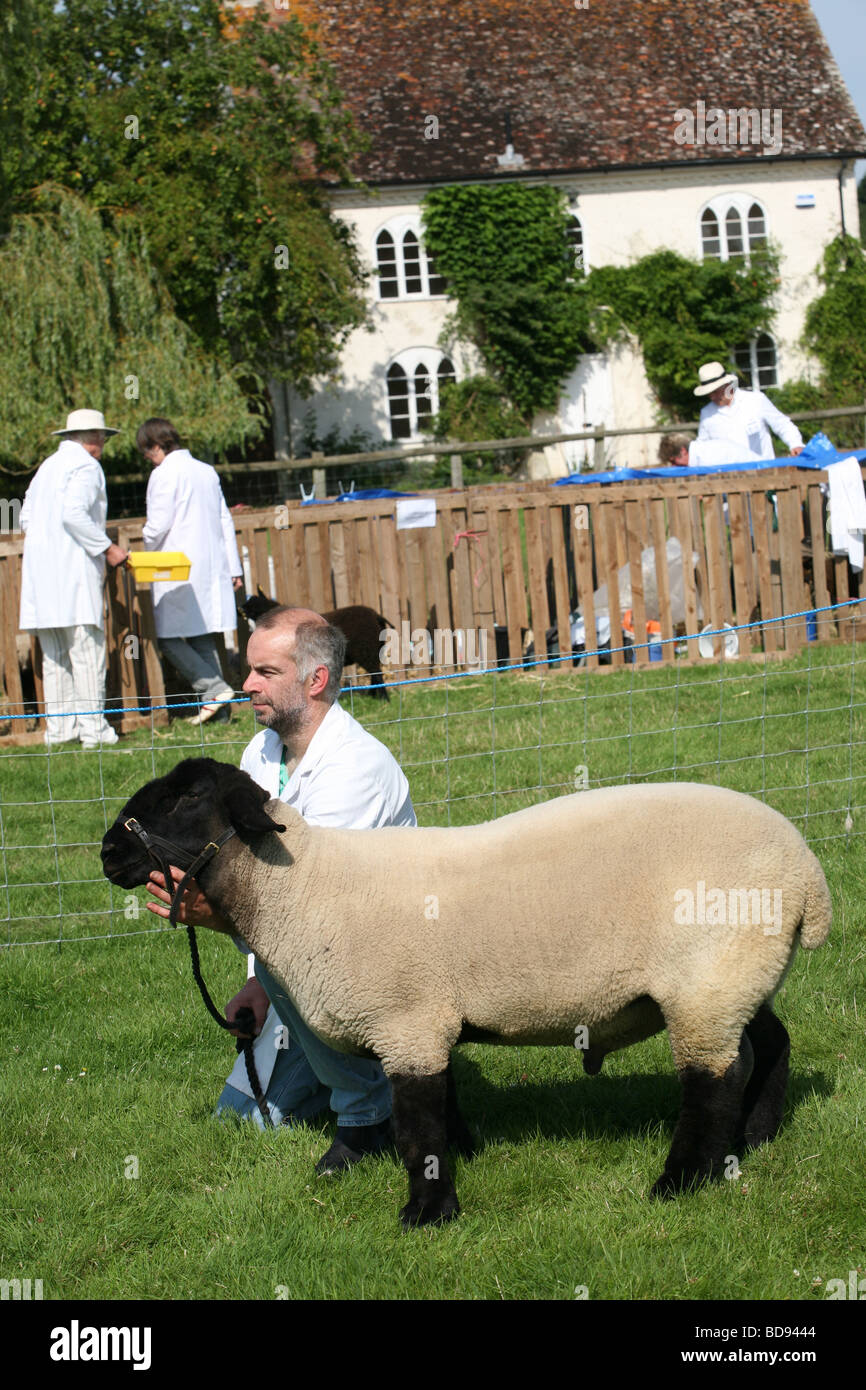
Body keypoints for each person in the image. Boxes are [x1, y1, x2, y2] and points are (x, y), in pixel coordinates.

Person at [144, 606, 417, 1175]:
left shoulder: (355, 769)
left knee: (262, 1120)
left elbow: (310, 912)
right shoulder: (261, 754)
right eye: (250, 670)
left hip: (373, 970)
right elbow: (265, 886)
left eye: (265, 673)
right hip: (303, 967)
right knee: (239, 1120)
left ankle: (376, 1106)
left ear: (316, 680)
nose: (247, 684)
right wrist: (257, 985)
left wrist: (213, 915)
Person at [19, 408, 128, 748]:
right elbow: (73, 514)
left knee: (54, 657)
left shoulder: (47, 467)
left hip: (42, 577)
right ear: (92, 438)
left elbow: (25, 518)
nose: (104, 443)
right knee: (86, 654)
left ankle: (60, 731)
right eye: (103, 437)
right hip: (74, 576)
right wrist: (107, 548)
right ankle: (94, 732)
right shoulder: (87, 466)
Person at [137, 418, 243, 724]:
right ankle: (221, 715)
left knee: (167, 638)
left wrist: (144, 543)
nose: (147, 457)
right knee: (200, 636)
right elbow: (225, 520)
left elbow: (158, 526)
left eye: (146, 450)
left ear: (156, 445)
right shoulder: (206, 471)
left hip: (177, 568)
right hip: (210, 567)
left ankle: (214, 689)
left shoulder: (163, 474)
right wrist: (233, 566)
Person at [689, 361, 804, 467]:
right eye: (709, 393)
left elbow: (782, 424)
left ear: (726, 385)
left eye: (715, 391)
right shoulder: (706, 413)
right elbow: (703, 447)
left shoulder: (756, 400)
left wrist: (796, 444)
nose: (712, 397)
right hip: (727, 477)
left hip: (765, 471)